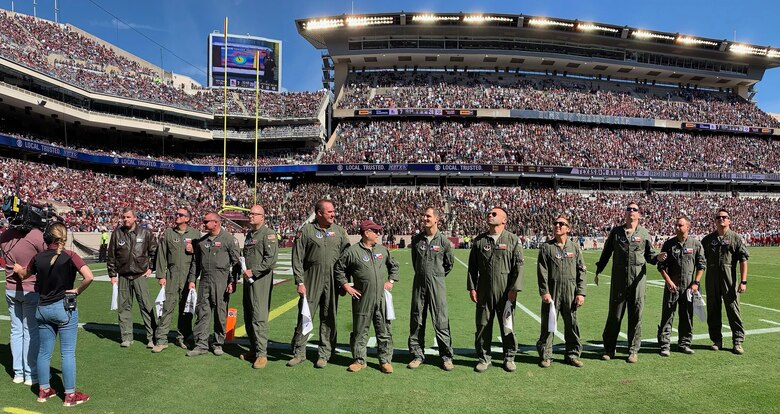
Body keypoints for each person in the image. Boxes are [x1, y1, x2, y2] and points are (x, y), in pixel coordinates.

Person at [14, 222, 93, 407]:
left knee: (44, 352)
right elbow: (89, 276)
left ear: (47, 238)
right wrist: (77, 291)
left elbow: (24, 275)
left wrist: (17, 269)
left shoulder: (38, 257)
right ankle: (70, 395)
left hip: (42, 308)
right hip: (64, 308)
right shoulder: (69, 256)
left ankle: (44, 391)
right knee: (67, 353)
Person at [595, 202, 665, 363]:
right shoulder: (616, 232)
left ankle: (633, 350)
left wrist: (657, 258)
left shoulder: (644, 233)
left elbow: (650, 256)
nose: (631, 212)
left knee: (636, 314)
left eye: (635, 210)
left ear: (639, 214)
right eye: (629, 209)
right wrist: (598, 270)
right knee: (615, 315)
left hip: (637, 280)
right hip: (619, 279)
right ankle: (609, 349)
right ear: (625, 213)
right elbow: (606, 253)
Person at [288, 199, 350, 368]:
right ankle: (299, 352)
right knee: (305, 315)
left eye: (333, 211)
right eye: (329, 211)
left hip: (332, 280)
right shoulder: (306, 231)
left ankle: (324, 354)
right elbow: (297, 258)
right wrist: (300, 281)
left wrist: (344, 282)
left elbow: (347, 258)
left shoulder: (339, 232)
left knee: (329, 317)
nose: (333, 214)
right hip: (311, 280)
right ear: (319, 213)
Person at [335, 220, 399, 373]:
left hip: (381, 298)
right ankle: (359, 360)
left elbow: (394, 265)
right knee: (360, 330)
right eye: (375, 231)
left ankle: (385, 361)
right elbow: (339, 269)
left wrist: (391, 280)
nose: (378, 234)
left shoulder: (382, 250)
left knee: (384, 330)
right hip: (362, 298)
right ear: (366, 233)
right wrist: (345, 286)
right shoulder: (352, 251)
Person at [467, 207, 524, 373]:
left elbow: (519, 267)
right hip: (484, 290)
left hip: (506, 291)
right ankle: (484, 358)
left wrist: (514, 289)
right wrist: (472, 287)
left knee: (507, 325)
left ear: (504, 220)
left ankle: (509, 357)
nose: (489, 215)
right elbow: (472, 267)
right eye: (489, 213)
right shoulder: (479, 241)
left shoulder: (513, 240)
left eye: (494, 214)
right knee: (483, 325)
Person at [186, 212, 241, 357]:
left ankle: (218, 344)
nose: (203, 224)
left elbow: (236, 263)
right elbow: (195, 263)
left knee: (220, 313)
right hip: (204, 280)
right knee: (202, 312)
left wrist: (232, 281)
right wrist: (192, 279)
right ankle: (201, 344)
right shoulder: (202, 242)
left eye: (206, 221)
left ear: (216, 222)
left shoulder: (229, 239)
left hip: (221, 280)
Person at [407, 207, 455, 371]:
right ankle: (417, 355)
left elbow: (449, 265)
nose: (425, 218)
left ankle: (446, 356)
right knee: (417, 319)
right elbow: (415, 262)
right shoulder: (417, 240)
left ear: (436, 219)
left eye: (428, 216)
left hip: (437, 284)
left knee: (441, 320)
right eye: (424, 216)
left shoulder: (443, 241)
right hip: (419, 284)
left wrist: (436, 276)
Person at [536, 214, 586, 368]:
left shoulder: (575, 247)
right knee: (548, 324)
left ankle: (572, 354)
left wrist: (581, 292)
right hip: (552, 292)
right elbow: (542, 271)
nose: (557, 226)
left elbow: (581, 270)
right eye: (555, 223)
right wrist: (545, 291)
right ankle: (546, 355)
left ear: (568, 228)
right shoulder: (546, 247)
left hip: (570, 292)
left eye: (561, 224)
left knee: (572, 324)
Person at [2, 222, 46, 385]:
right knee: (30, 331)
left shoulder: (5, 236)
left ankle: (18, 372)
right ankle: (31, 373)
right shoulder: (35, 235)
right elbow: (47, 255)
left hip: (11, 288)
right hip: (30, 288)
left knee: (16, 330)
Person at [151, 207, 200, 353]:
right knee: (167, 308)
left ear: (187, 218)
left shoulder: (195, 234)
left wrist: (193, 278)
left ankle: (183, 338)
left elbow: (198, 259)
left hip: (188, 277)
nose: (177, 216)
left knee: (186, 310)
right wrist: (161, 276)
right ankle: (161, 339)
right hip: (172, 276)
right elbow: (161, 256)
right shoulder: (168, 233)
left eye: (180, 215)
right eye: (176, 214)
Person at [700, 209, 749, 354]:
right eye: (718, 217)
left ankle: (738, 341)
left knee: (733, 310)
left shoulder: (735, 238)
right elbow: (700, 259)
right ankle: (716, 340)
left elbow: (743, 260)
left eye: (724, 217)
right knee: (713, 310)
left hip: (730, 279)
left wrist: (743, 281)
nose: (721, 219)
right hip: (712, 279)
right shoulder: (708, 239)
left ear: (729, 220)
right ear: (715, 220)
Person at [107, 208, 157, 348]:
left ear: (135, 218)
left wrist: (151, 268)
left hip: (139, 275)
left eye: (128, 217)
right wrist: (112, 274)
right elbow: (111, 256)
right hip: (123, 275)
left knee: (146, 306)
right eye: (124, 217)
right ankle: (126, 337)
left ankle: (152, 337)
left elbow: (154, 252)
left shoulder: (145, 233)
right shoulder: (117, 234)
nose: (125, 219)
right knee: (124, 308)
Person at [656, 216, 706, 356]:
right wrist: (668, 281)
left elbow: (701, 265)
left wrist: (696, 283)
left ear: (688, 227)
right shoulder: (668, 244)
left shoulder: (696, 244)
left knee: (687, 316)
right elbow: (661, 266)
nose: (678, 228)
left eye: (681, 225)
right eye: (676, 225)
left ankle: (684, 344)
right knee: (667, 315)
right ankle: (665, 345)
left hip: (689, 288)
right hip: (672, 287)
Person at [239, 205, 278, 369]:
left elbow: (271, 260)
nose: (251, 216)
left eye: (254, 214)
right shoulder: (250, 234)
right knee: (248, 315)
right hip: (249, 281)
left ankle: (262, 354)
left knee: (258, 316)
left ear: (263, 217)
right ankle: (254, 349)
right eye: (250, 214)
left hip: (260, 280)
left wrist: (253, 271)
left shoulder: (268, 234)